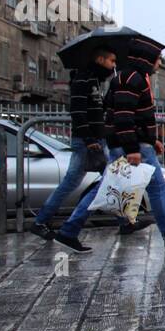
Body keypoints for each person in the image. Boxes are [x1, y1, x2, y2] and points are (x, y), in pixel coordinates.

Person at [55, 38, 165, 253]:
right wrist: (133, 148)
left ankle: (69, 231)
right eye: (157, 59)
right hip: (132, 146)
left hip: (135, 144)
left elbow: (132, 116)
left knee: (106, 187)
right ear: (146, 59)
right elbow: (123, 117)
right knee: (157, 188)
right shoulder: (132, 79)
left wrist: (152, 140)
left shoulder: (132, 77)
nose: (159, 63)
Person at [32, 45, 119, 239]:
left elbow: (98, 107)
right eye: (111, 61)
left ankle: (41, 221)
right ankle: (49, 222)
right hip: (88, 141)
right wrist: (88, 139)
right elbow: (78, 112)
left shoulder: (95, 80)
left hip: (96, 138)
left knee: (89, 180)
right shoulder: (82, 79)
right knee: (106, 179)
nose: (114, 65)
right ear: (100, 60)